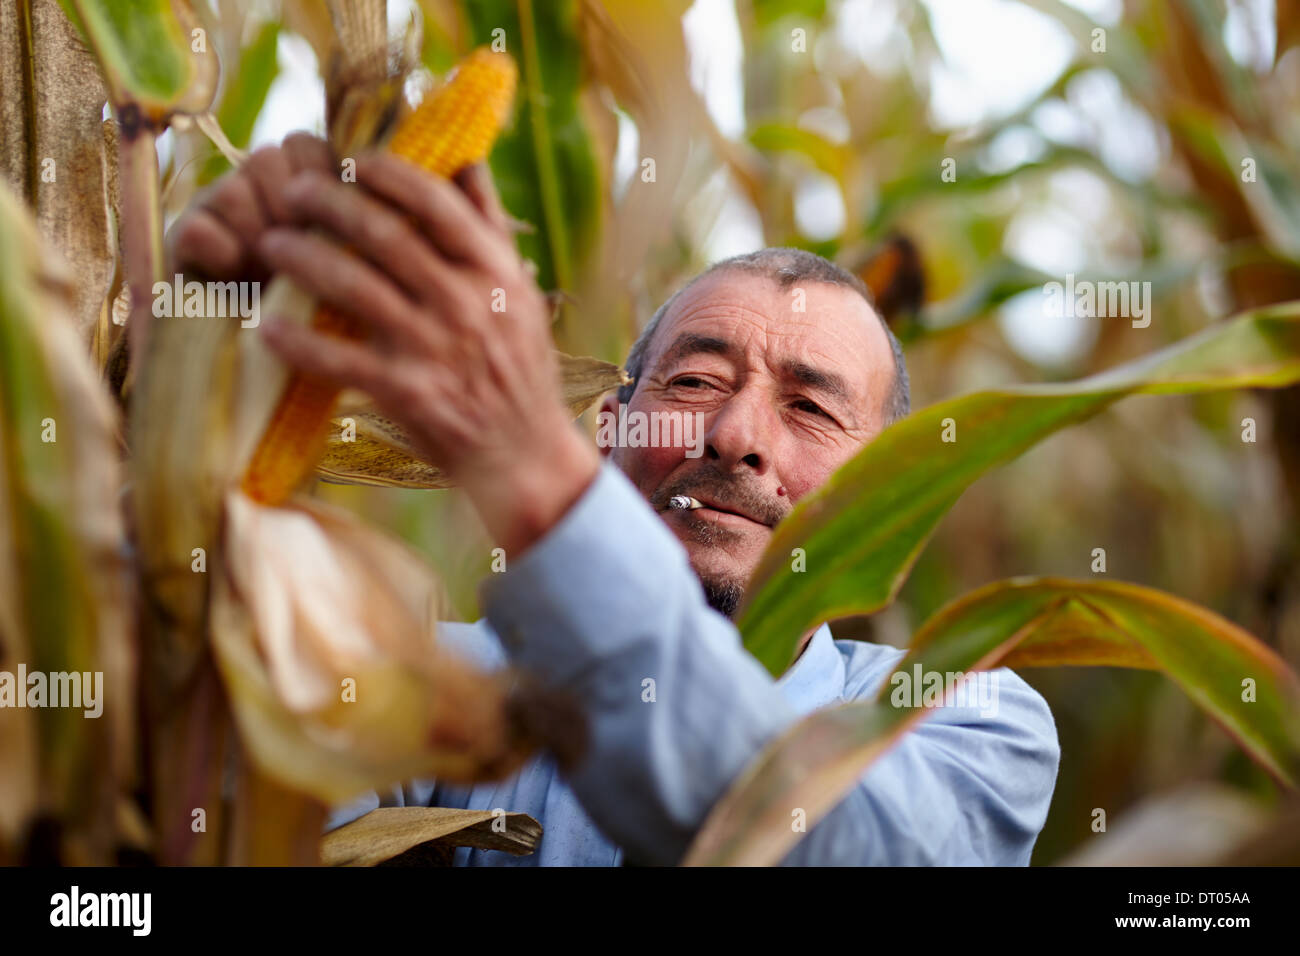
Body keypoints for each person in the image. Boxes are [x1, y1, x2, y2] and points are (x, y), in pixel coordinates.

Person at [169, 132, 1060, 865]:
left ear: (886, 490)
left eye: (811, 407)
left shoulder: (970, 721)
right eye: (696, 381)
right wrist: (206, 379)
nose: (736, 434)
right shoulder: (417, 678)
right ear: (606, 429)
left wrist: (535, 481)